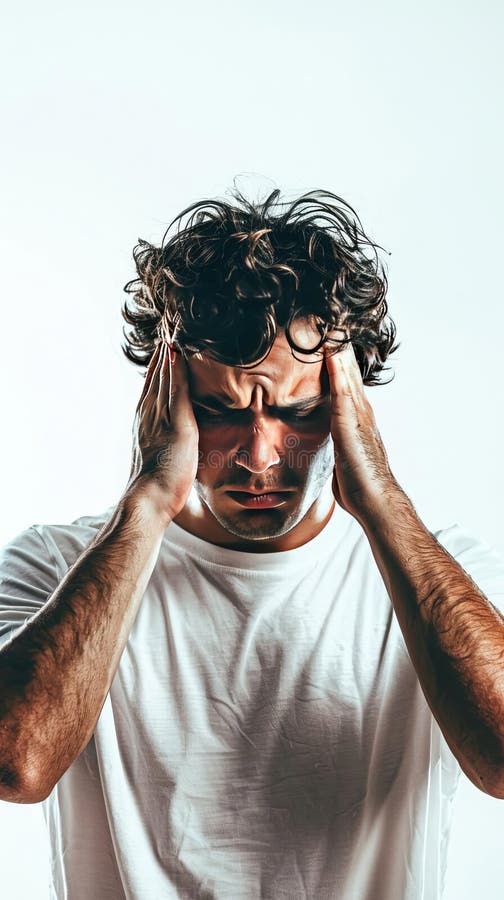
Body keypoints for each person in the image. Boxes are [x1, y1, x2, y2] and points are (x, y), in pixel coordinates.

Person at [1, 187, 504, 900]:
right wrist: (148, 500)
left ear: (349, 402)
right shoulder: (54, 567)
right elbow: (15, 765)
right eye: (220, 412)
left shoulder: (440, 577)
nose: (262, 458)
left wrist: (383, 500)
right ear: (162, 397)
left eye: (300, 412)